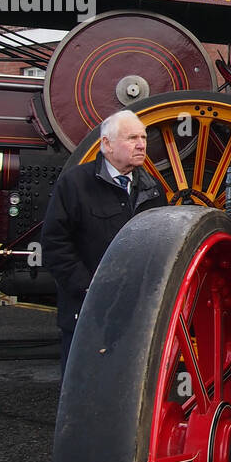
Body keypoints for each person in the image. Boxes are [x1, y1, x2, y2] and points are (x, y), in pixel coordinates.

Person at [41, 109, 166, 374]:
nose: (142, 144)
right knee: (83, 387)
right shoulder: (74, 184)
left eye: (143, 137)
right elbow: (55, 244)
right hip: (86, 315)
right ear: (106, 144)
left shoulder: (153, 189)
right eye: (132, 138)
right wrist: (88, 289)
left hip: (136, 317)